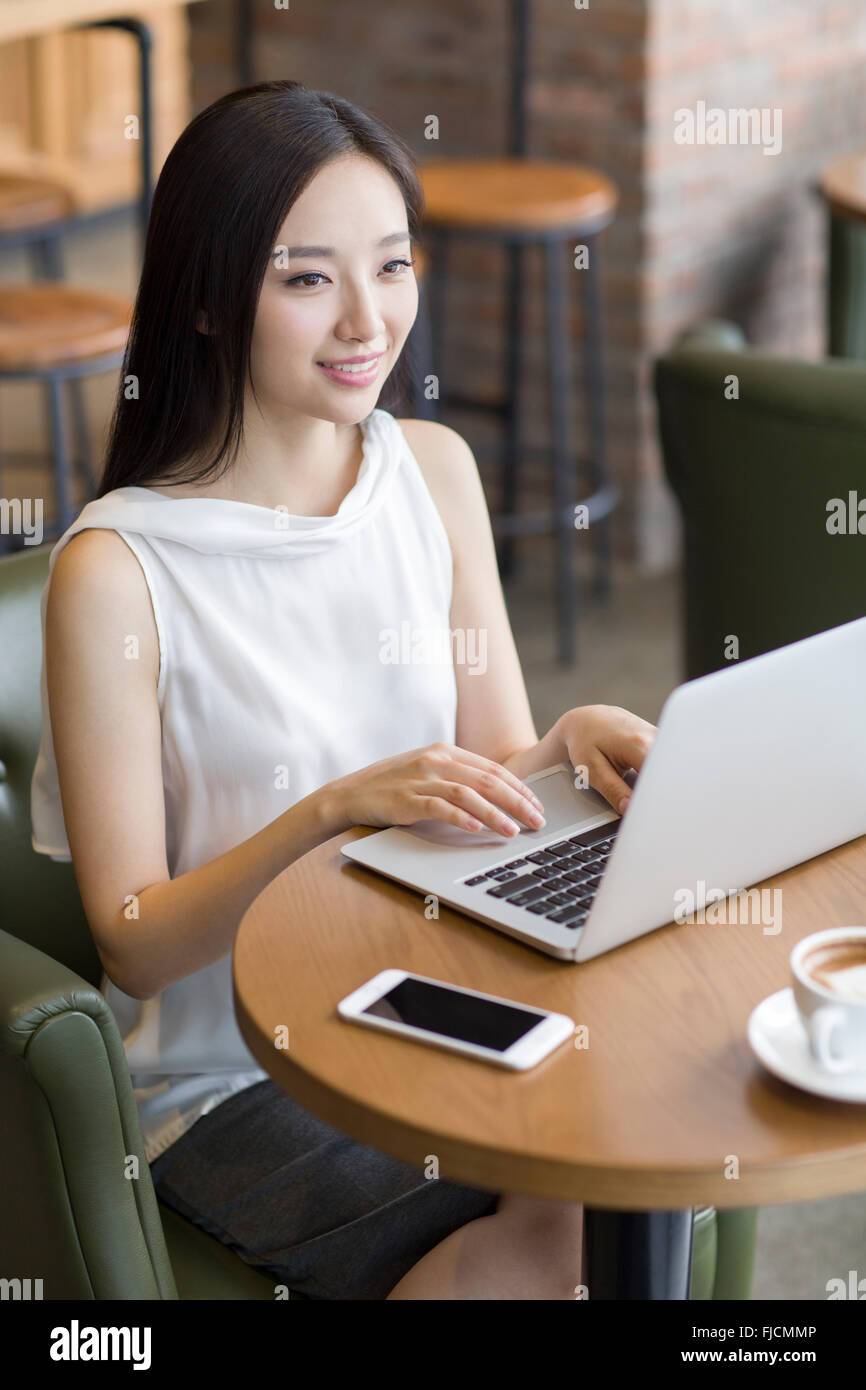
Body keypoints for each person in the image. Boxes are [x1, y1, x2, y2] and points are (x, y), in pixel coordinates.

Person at [30, 80, 656, 1299]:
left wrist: (561, 742)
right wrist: (329, 810)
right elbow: (134, 942)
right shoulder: (118, 572)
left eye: (391, 265)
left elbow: (486, 771)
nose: (367, 320)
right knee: (573, 1217)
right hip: (228, 1080)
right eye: (306, 277)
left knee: (641, 1116)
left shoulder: (431, 471)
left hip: (419, 993)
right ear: (210, 301)